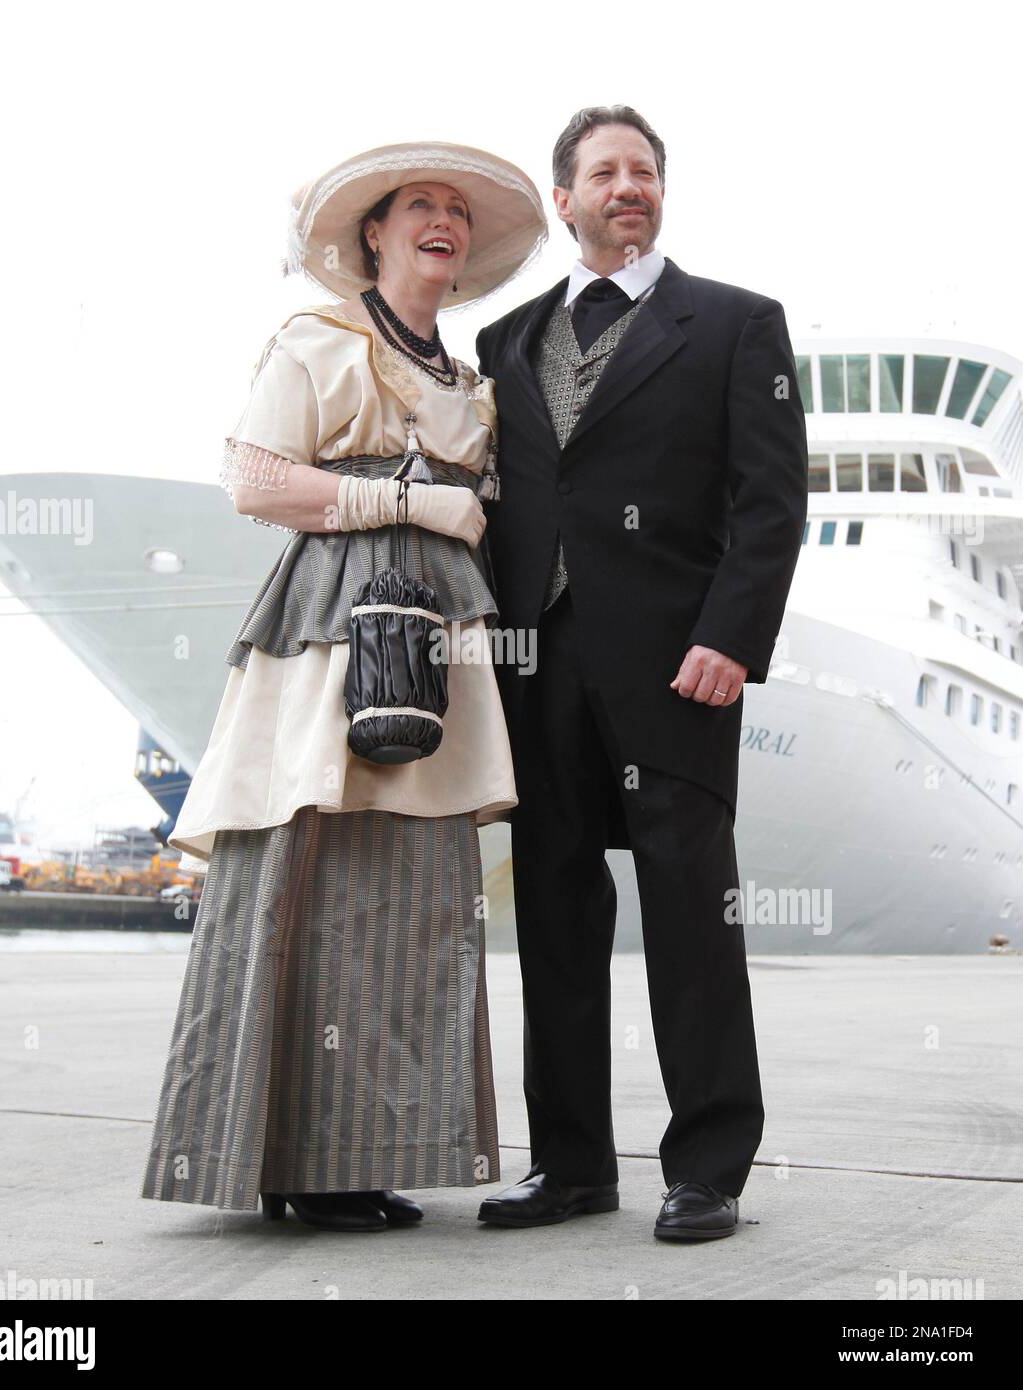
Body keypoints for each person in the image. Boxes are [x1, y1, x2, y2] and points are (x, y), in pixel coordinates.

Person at [139, 141, 547, 1231]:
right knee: (312, 870)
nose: (443, 220)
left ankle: (361, 1151)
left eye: (457, 211)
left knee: (412, 898)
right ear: (373, 230)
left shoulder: (469, 383)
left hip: (441, 642)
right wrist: (411, 504)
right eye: (421, 202)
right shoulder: (320, 340)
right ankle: (289, 1158)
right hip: (334, 630)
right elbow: (254, 479)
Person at [474, 106, 808, 1240]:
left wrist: (730, 636)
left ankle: (707, 1165)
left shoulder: (731, 324)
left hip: (678, 666)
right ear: (561, 197)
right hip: (537, 664)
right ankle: (568, 1165)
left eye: (644, 171)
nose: (628, 186)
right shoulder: (504, 341)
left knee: (688, 914)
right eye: (603, 172)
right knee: (555, 917)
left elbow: (769, 503)